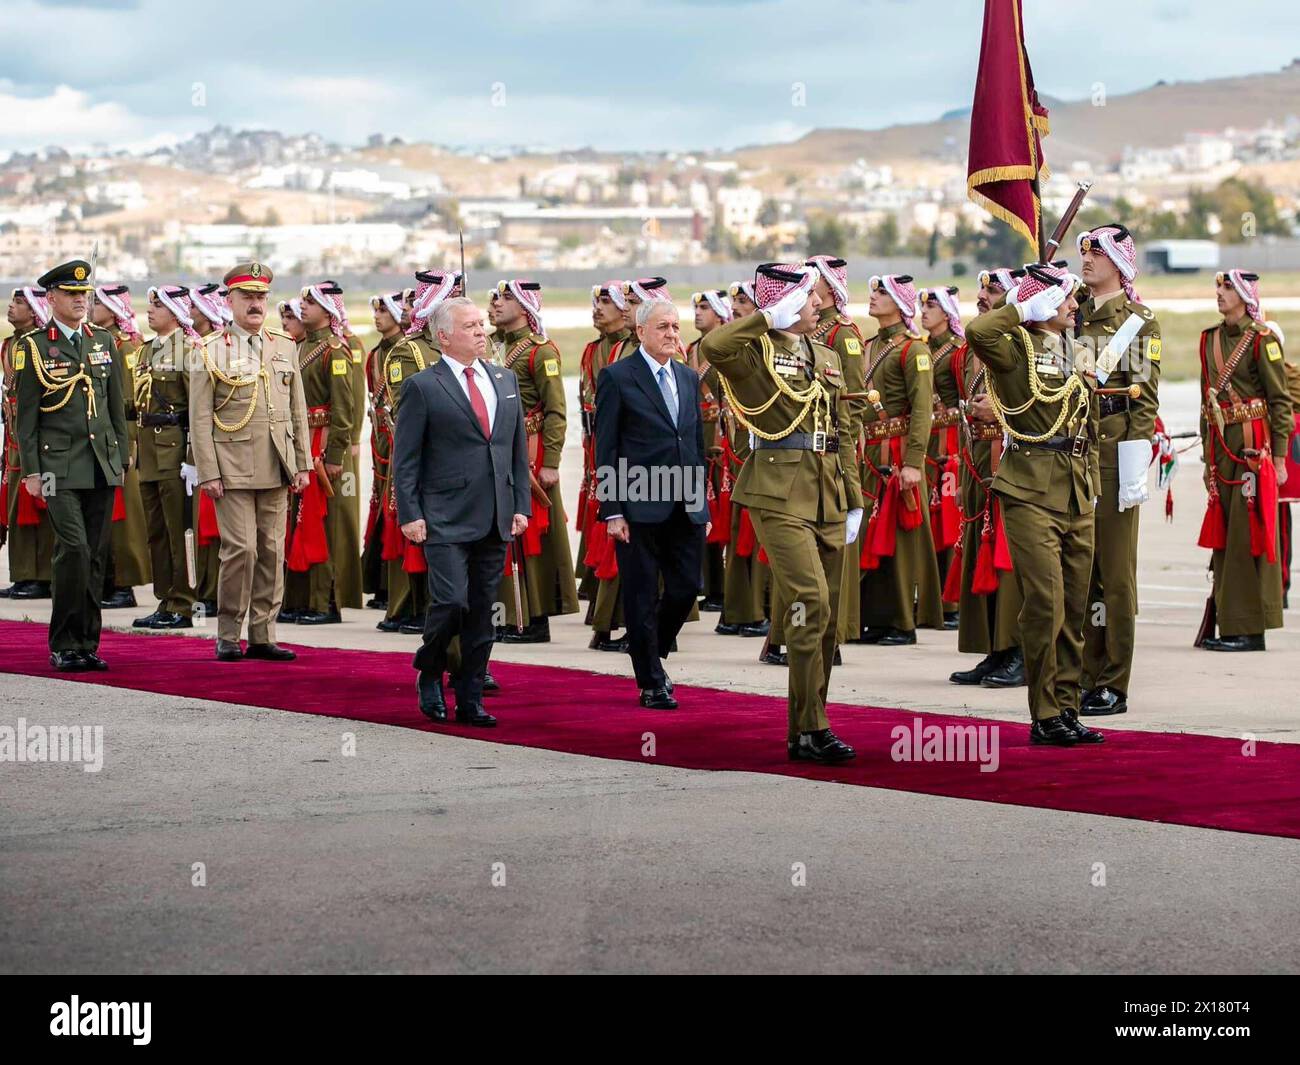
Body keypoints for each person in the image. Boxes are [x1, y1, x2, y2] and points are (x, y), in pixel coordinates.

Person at [702, 263, 862, 763]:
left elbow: (844, 430)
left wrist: (854, 497)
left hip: (828, 490)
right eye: (809, 298)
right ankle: (812, 726)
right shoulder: (753, 353)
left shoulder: (828, 356)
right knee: (809, 598)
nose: (818, 304)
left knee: (828, 616)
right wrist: (765, 318)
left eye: (814, 298)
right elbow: (713, 349)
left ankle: (808, 727)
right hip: (777, 490)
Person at [965, 262, 1104, 747]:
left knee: (1073, 604)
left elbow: (1089, 424)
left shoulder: (1079, 349)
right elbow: (978, 330)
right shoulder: (1014, 348)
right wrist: (1022, 307)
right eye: (1065, 298)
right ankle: (1044, 712)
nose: (1074, 305)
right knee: (1044, 604)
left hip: (1076, 489)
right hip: (1030, 488)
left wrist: (1096, 486)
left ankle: (1067, 706)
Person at [393, 296, 530, 726]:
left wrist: (520, 505)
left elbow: (515, 451)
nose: (481, 331)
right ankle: (430, 669)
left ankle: (471, 699)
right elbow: (406, 457)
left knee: (483, 611)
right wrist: (410, 513)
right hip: (444, 516)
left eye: (482, 325)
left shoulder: (504, 379)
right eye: (470, 326)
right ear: (445, 336)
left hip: (495, 514)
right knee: (451, 602)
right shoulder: (423, 386)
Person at [189, 261, 310, 661]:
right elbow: (200, 417)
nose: (256, 304)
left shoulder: (284, 345)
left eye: (261, 297)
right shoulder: (209, 350)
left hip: (277, 464)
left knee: (273, 552)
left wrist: (302, 464)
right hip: (233, 467)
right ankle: (228, 632)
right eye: (247, 297)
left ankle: (262, 633)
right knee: (241, 551)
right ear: (230, 301)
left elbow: (297, 410)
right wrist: (209, 472)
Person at [14, 259, 129, 671]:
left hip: (101, 462)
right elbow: (24, 418)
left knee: (96, 555)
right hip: (55, 467)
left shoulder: (102, 341)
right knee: (74, 549)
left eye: (85, 294)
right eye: (72, 294)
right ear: (52, 298)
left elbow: (116, 406)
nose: (81, 300)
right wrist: (29, 471)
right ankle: (63, 642)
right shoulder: (32, 346)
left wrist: (122, 457)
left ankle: (87, 643)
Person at [596, 298, 708, 709]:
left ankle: (648, 651)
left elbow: (694, 444)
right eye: (663, 327)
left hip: (683, 501)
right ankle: (651, 681)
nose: (672, 335)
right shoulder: (618, 377)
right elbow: (605, 447)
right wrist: (612, 509)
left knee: (685, 588)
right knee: (641, 594)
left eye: (676, 327)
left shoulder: (687, 377)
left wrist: (701, 502)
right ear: (640, 331)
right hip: (638, 503)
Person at [1074, 223, 1161, 717]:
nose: (1086, 260)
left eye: (1097, 253)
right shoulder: (1070, 314)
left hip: (1110, 455)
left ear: (1119, 262)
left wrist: (1134, 464)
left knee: (1115, 574)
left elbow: (1143, 402)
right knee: (1084, 573)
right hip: (1071, 453)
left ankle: (1113, 680)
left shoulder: (1138, 323)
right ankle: (1086, 672)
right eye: (1083, 252)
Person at [1196, 269, 1292, 651]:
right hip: (1223, 449)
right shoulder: (1209, 339)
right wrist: (1208, 460)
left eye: (1227, 288)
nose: (1219, 293)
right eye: (1218, 287)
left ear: (1244, 295)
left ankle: (1250, 629)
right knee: (1224, 537)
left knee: (1246, 536)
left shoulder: (1262, 340)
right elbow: (1207, 404)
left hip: (1254, 449)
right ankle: (1230, 622)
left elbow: (1280, 402)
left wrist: (1280, 458)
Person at [948, 268, 1025, 687]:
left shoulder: (1021, 345)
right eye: (981, 289)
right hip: (978, 461)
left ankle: (1019, 650)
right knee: (981, 552)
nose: (981, 296)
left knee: (1009, 558)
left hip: (1011, 459)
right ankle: (995, 649)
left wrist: (1000, 411)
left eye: (992, 290)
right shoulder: (968, 351)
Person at [491, 279, 579, 643]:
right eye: (495, 296)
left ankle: (536, 618)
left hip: (533, 450)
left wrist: (552, 461)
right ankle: (510, 614)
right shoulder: (493, 347)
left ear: (525, 306)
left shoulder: (540, 352)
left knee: (535, 536)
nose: (495, 303)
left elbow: (556, 410)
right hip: (501, 448)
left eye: (506, 298)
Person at [858, 274, 942, 645]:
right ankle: (876, 618)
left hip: (897, 453)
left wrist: (913, 462)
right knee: (869, 536)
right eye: (873, 291)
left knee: (900, 539)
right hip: (871, 452)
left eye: (881, 293)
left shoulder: (914, 350)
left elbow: (923, 409)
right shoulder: (870, 344)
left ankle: (903, 622)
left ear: (898, 302)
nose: (873, 298)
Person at [281, 281, 358, 624]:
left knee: (319, 525)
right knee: (295, 522)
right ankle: (297, 599)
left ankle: (323, 602)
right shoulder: (299, 348)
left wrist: (334, 456)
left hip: (320, 445)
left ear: (328, 311)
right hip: (300, 443)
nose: (303, 308)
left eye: (310, 303)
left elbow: (344, 411)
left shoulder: (334, 352)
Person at [805, 256, 867, 653]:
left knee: (829, 548)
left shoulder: (842, 333)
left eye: (813, 285)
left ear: (828, 289)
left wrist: (845, 457)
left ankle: (832, 636)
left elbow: (852, 400)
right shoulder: (808, 330)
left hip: (832, 448)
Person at [130, 285, 199, 630]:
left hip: (175, 454)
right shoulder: (144, 352)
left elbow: (198, 411)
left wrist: (194, 458)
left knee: (179, 532)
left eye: (158, 305)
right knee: (156, 531)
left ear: (175, 311)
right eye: (151, 304)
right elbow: (135, 404)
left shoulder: (188, 351)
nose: (151, 310)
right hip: (149, 455)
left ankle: (184, 604)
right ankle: (165, 599)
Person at [714, 280, 772, 643]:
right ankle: (740, 610)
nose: (734, 313)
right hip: (738, 451)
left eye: (743, 309)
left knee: (761, 535)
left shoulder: (764, 349)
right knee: (739, 534)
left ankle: (759, 610)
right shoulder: (734, 349)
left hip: (762, 453)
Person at [91, 284, 149, 611]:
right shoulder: (101, 341)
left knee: (124, 518)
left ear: (113, 309)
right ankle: (107, 581)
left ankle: (124, 584)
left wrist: (126, 445)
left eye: (97, 302)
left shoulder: (125, 347)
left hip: (121, 440)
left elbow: (129, 401)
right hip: (102, 439)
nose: (90, 306)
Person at [2, 286, 55, 600]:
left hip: (37, 440)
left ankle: (43, 576)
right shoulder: (9, 345)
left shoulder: (42, 345)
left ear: (34, 308)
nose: (11, 308)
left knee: (40, 508)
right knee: (15, 509)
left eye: (19, 302)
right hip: (14, 441)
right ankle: (23, 575)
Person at [918, 285, 965, 630]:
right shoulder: (924, 350)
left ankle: (952, 601)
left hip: (950, 438)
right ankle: (933, 595)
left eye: (932, 305)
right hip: (928, 439)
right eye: (922, 305)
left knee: (949, 519)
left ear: (947, 311)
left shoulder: (956, 351)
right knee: (930, 521)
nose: (924, 311)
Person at [188, 283, 233, 617]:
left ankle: (221, 595)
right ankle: (206, 591)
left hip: (227, 449)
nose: (190, 312)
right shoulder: (199, 349)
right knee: (204, 528)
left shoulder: (221, 351)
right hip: (202, 449)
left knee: (224, 532)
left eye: (196, 306)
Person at [687, 289, 732, 616]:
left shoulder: (726, 348)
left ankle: (721, 587)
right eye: (696, 307)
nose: (698, 312)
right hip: (694, 439)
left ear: (719, 313)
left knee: (718, 515)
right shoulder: (690, 350)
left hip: (717, 439)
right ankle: (705, 584)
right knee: (699, 514)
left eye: (705, 308)